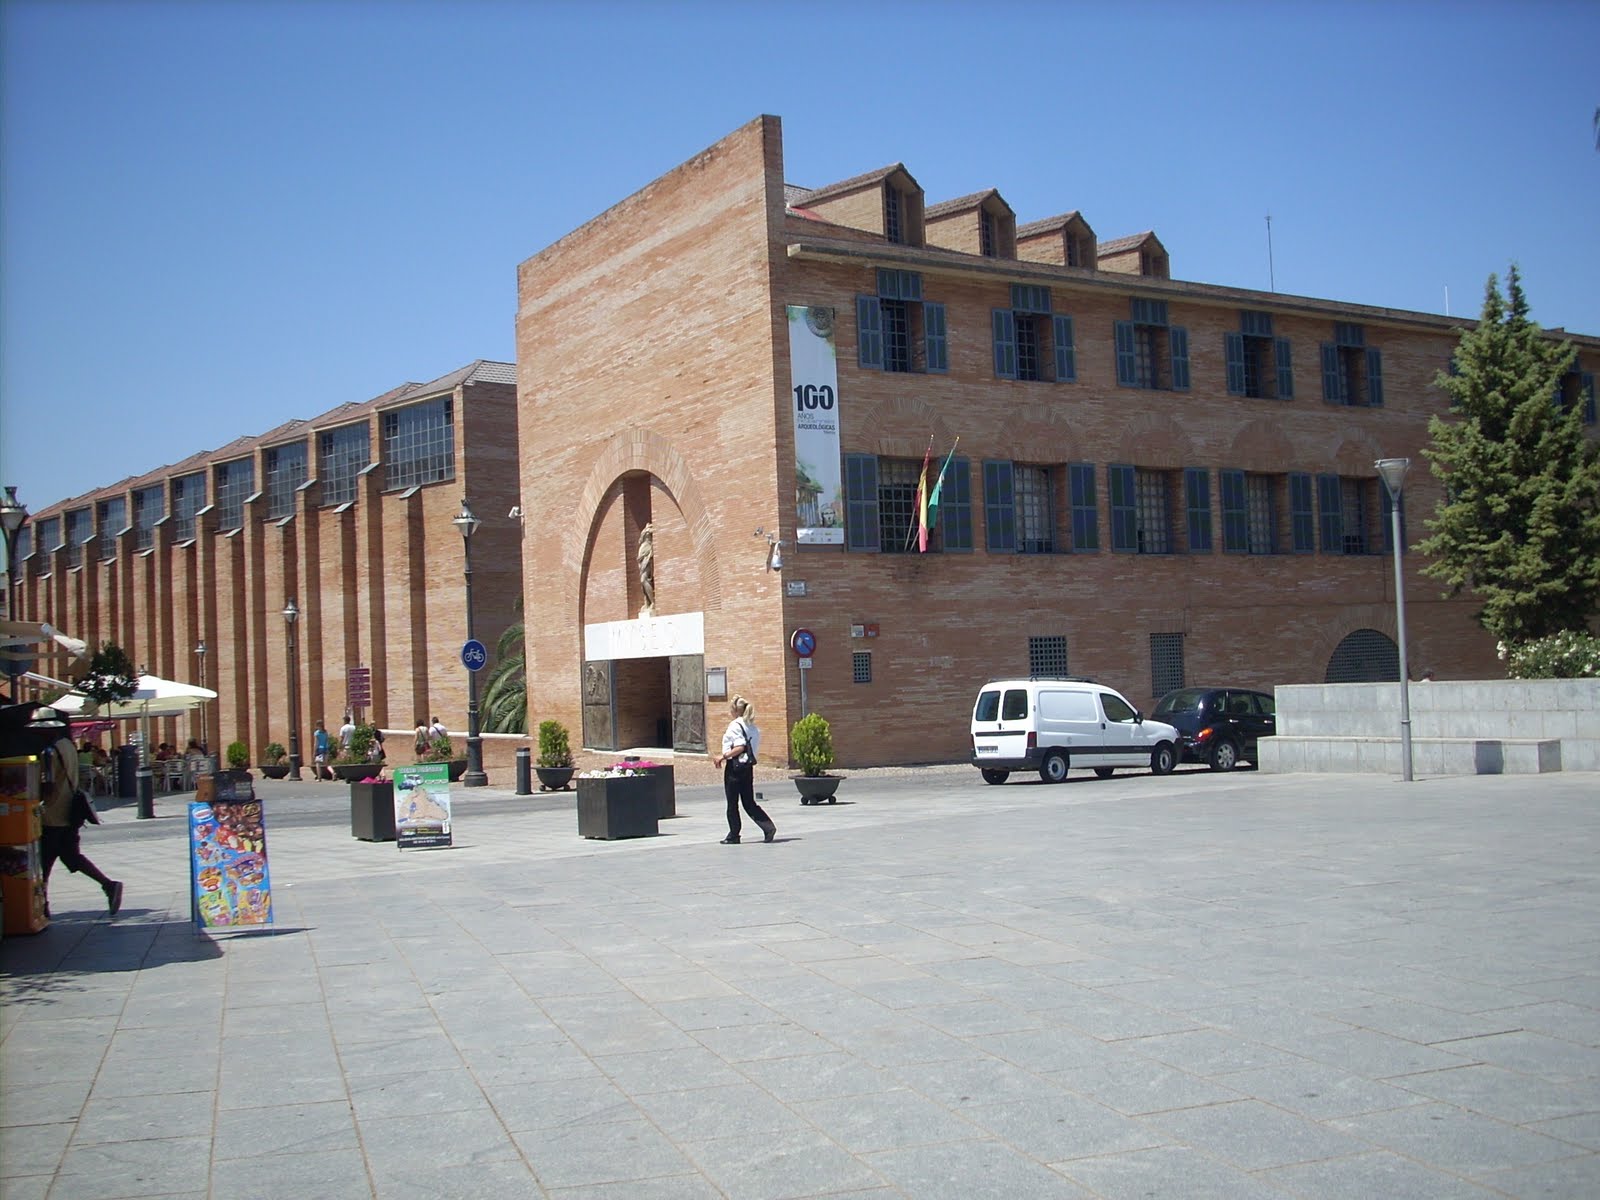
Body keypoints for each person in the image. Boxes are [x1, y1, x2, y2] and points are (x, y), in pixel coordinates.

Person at [40, 737, 123, 917]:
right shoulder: (69, 746)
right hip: (70, 812)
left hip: (52, 814)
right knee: (72, 857)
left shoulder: (49, 751)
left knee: (43, 864)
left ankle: (42, 904)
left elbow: (49, 785)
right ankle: (109, 885)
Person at [711, 695, 775, 844]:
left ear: (735, 710)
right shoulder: (752, 727)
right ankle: (768, 827)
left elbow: (740, 747)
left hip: (735, 767)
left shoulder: (735, 725)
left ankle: (734, 834)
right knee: (748, 802)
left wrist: (723, 756)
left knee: (732, 803)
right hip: (747, 767)